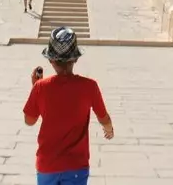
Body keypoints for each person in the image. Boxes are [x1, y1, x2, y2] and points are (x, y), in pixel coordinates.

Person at [23, 26, 114, 184]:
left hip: (47, 165)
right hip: (77, 166)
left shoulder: (41, 87)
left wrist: (35, 88)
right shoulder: (90, 86)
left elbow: (29, 121)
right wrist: (109, 130)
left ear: (51, 60)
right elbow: (103, 117)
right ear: (76, 59)